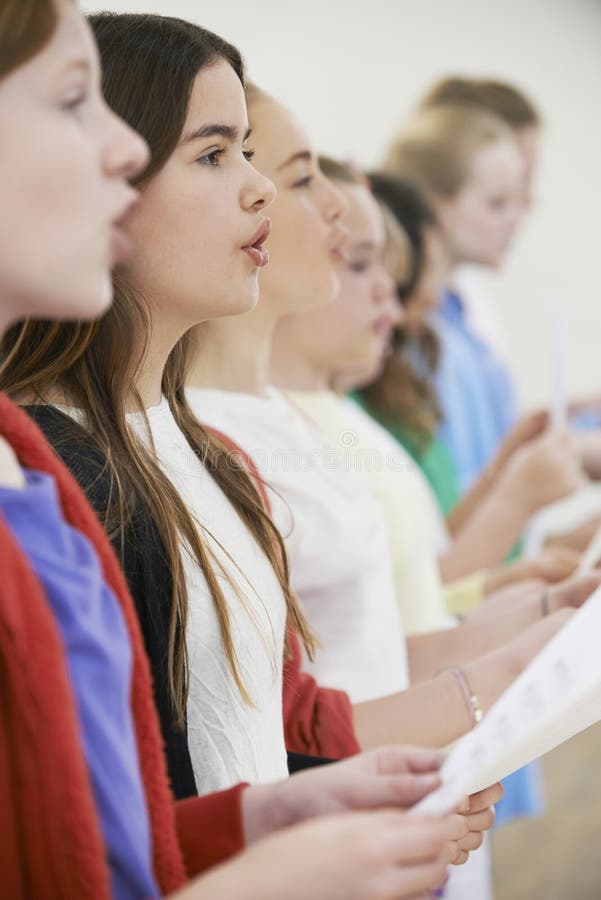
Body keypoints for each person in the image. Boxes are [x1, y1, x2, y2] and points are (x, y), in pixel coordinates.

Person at [0, 3, 497, 898]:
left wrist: (310, 810)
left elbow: (244, 744)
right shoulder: (63, 471)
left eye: (252, 156)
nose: (260, 188)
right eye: (212, 154)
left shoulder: (209, 455)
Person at [185, 84, 599, 751]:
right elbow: (289, 727)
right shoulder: (222, 438)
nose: (332, 213)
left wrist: (536, 609)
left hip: (402, 783)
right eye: (360, 262)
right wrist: (515, 637)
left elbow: (384, 631)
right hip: (372, 792)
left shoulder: (296, 418)